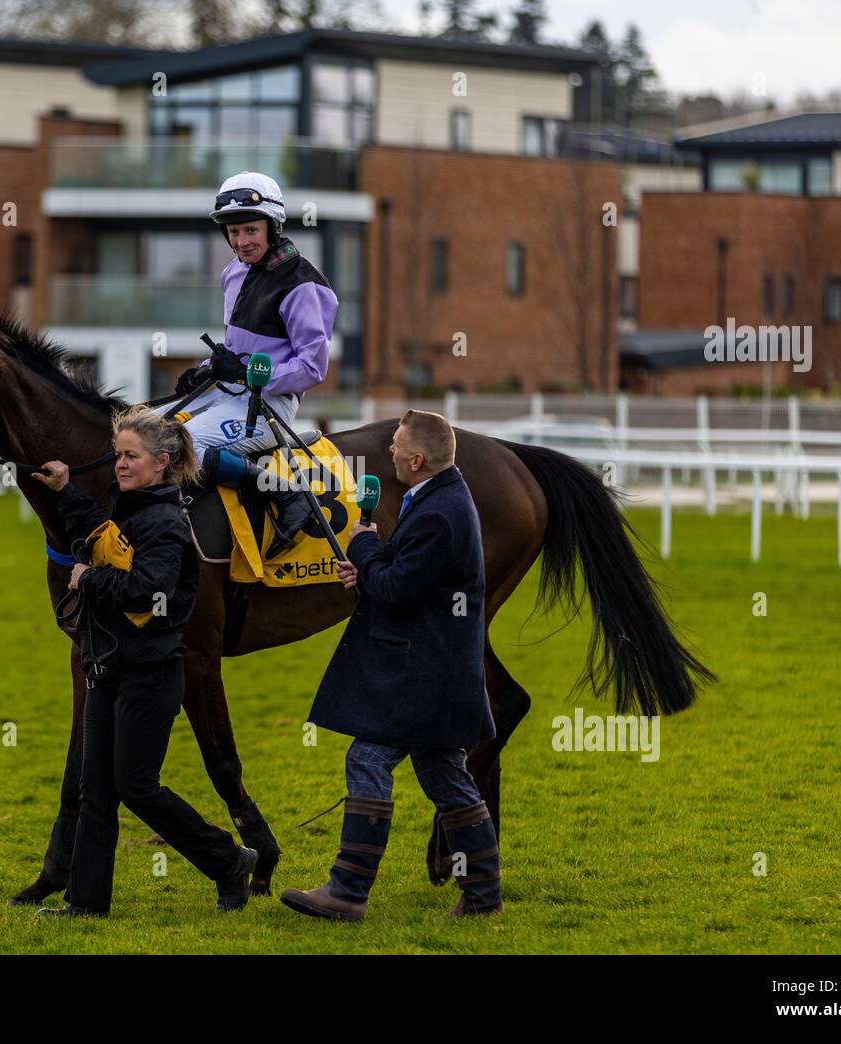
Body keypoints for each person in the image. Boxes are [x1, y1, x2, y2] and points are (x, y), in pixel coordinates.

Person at [30, 406, 258, 917]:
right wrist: (66, 488)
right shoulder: (129, 507)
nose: (121, 465)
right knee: (97, 790)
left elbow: (146, 591)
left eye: (131, 456)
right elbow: (104, 536)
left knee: (137, 788)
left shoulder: (164, 523)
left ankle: (228, 860)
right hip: (108, 669)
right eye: (118, 455)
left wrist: (89, 580)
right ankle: (86, 904)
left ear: (162, 462)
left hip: (149, 678)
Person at [280, 410, 502, 921]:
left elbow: (399, 591)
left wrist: (364, 549)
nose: (391, 453)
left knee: (368, 761)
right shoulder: (440, 499)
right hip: (437, 668)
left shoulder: (438, 512)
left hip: (421, 672)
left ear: (418, 459)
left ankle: (348, 891)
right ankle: (484, 896)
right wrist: (368, 569)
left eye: (398, 447)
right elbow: (404, 581)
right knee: (445, 776)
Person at [161, 170, 339, 559]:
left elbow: (312, 368)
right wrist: (208, 367)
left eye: (250, 231)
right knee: (142, 430)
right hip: (225, 393)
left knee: (175, 445)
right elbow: (238, 348)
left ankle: (288, 495)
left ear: (273, 226)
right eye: (233, 233)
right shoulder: (234, 271)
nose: (241, 242)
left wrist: (245, 374)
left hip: (270, 405)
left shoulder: (305, 286)